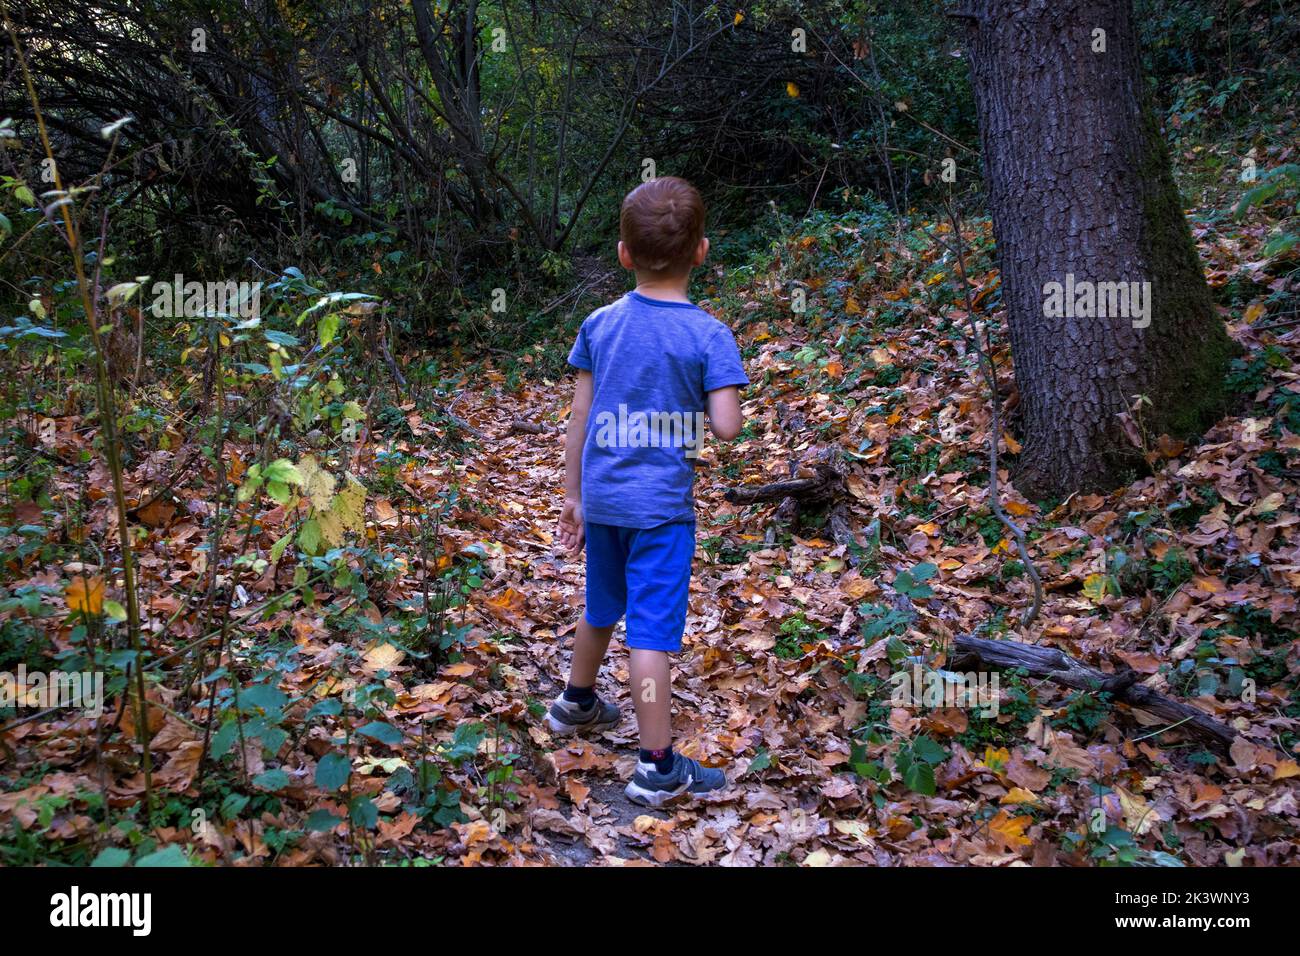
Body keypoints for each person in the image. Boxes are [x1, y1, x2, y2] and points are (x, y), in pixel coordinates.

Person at [547, 176, 748, 807]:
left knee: (601, 604)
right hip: (660, 511)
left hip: (603, 499)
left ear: (624, 253)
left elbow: (579, 418)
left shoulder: (600, 326)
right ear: (702, 252)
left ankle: (575, 703)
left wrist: (572, 495)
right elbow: (726, 427)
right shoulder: (707, 335)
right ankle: (657, 765)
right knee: (652, 637)